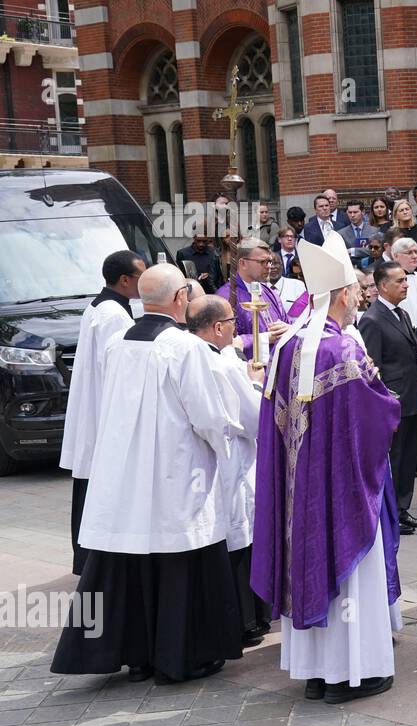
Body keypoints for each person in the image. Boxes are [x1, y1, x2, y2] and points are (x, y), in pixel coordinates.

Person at [52, 264, 245, 684]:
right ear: (181, 300)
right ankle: (182, 655)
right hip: (176, 473)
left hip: (124, 472)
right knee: (178, 558)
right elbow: (207, 416)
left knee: (131, 556)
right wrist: (227, 443)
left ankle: (137, 654)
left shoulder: (118, 341)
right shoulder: (185, 347)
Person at [253, 231, 402, 704]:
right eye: (357, 291)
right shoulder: (343, 349)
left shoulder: (287, 347)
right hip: (343, 489)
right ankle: (355, 672)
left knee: (309, 562)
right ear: (341, 294)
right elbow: (376, 416)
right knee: (352, 576)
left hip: (301, 490)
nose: (361, 297)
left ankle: (317, 673)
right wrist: (391, 402)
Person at [186, 293, 269, 647]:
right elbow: (253, 419)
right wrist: (255, 381)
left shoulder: (190, 357)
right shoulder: (225, 365)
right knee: (241, 537)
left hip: (203, 463)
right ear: (218, 327)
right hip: (232, 459)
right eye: (233, 322)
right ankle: (248, 621)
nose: (236, 328)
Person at [61, 250, 147, 575]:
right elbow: (116, 367)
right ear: (124, 280)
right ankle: (95, 561)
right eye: (141, 276)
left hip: (93, 408)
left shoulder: (102, 305)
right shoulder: (114, 315)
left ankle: (88, 559)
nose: (145, 282)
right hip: (103, 411)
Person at [359, 261, 417, 535]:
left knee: (409, 456)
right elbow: (372, 367)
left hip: (411, 398)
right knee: (396, 458)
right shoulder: (372, 319)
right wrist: (384, 403)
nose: (406, 284)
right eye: (399, 281)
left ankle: (403, 508)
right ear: (382, 286)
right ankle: (391, 513)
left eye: (405, 280)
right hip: (393, 402)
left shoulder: (402, 314)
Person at [216, 238, 292, 362]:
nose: (269, 267)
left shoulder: (268, 291)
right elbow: (225, 342)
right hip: (247, 371)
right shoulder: (225, 297)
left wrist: (287, 328)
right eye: (263, 262)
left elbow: (286, 321)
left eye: (270, 261)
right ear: (243, 263)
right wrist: (265, 338)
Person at [392, 198, 417, 266]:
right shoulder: (393, 233)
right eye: (401, 210)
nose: (405, 212)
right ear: (396, 215)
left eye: (407, 209)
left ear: (411, 211)